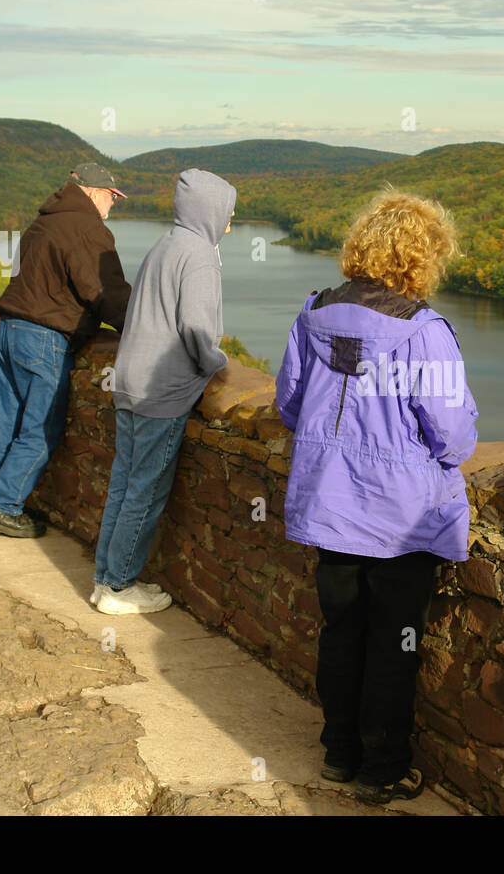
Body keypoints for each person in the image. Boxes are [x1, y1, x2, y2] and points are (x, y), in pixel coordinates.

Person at [274, 190, 478, 804]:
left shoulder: (312, 314)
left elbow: (287, 404)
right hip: (402, 516)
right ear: (423, 257)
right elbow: (453, 435)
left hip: (328, 505)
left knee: (342, 630)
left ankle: (338, 752)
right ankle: (382, 769)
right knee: (395, 640)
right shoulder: (423, 331)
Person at [90, 169, 236, 615]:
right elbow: (195, 326)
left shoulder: (167, 243)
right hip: (164, 388)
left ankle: (103, 578)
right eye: (228, 212)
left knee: (123, 485)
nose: (230, 222)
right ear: (209, 211)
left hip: (131, 380)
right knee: (146, 492)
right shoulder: (199, 255)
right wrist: (216, 363)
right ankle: (118, 587)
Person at [0, 163, 131, 538]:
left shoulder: (43, 222)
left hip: (10, 329)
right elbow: (105, 293)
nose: (113, 204)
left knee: (8, 425)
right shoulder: (87, 228)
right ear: (93, 192)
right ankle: (1, 506)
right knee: (42, 428)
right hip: (44, 336)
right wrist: (139, 327)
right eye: (111, 196)